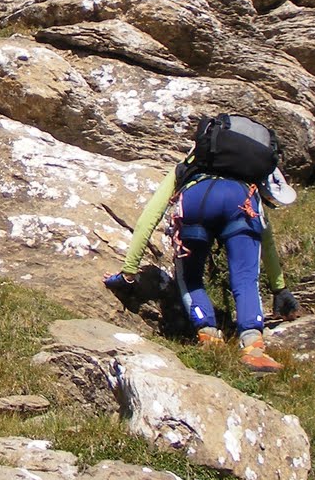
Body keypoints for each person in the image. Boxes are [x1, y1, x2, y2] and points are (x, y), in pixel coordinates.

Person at [107, 127, 298, 373]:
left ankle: (209, 336)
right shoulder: (247, 179)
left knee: (191, 277)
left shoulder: (184, 168)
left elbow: (148, 218)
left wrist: (129, 271)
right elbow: (266, 239)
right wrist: (279, 288)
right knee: (245, 279)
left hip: (196, 201)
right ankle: (253, 348)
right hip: (242, 201)